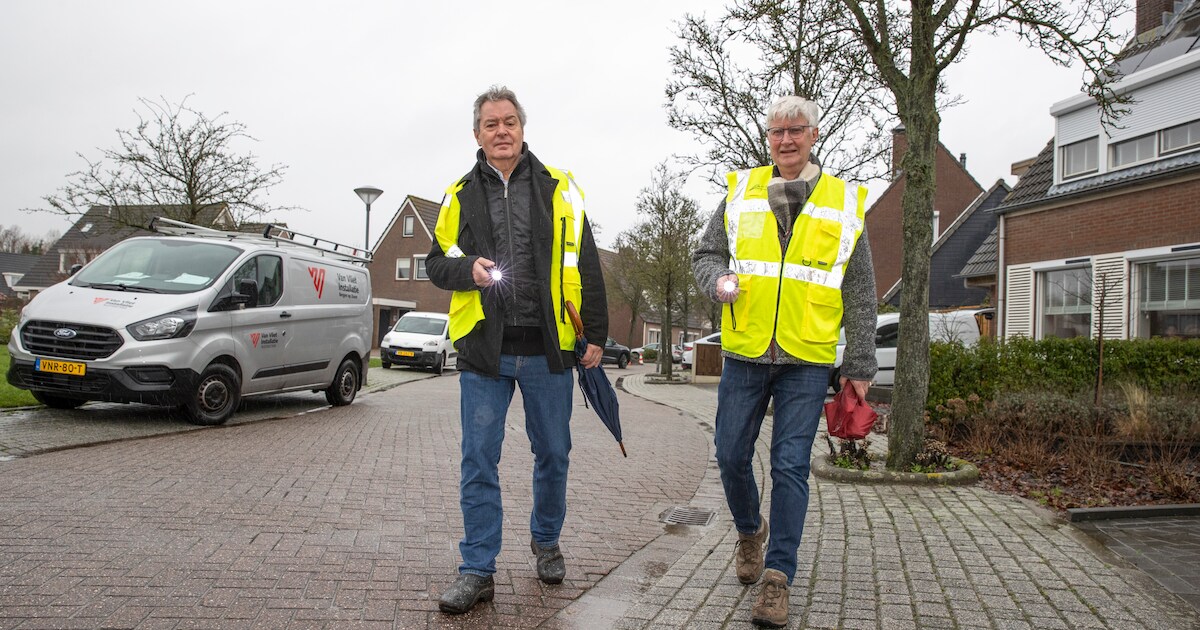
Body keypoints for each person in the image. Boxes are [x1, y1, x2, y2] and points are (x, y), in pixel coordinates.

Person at [692, 95, 877, 629]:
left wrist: (860, 361)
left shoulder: (843, 204)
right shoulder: (740, 191)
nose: (785, 140)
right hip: (746, 350)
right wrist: (718, 281)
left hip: (807, 357)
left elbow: (861, 289)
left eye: (796, 130)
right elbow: (706, 255)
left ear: (813, 135)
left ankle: (778, 578)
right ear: (768, 138)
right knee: (729, 455)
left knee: (790, 466)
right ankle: (750, 530)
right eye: (777, 132)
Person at [426, 86, 608, 615]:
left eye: (509, 122)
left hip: (549, 348)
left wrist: (593, 332)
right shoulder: (458, 195)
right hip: (486, 350)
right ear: (477, 134)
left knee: (553, 453)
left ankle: (546, 541)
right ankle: (477, 568)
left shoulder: (559, 189)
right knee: (478, 458)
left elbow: (587, 264)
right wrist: (468, 270)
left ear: (522, 129)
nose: (500, 131)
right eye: (490, 124)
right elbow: (437, 263)